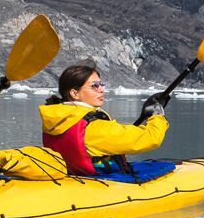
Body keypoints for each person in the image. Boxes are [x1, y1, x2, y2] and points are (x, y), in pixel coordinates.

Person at [39, 62, 168, 176]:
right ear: (75, 93)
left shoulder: (57, 120)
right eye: (95, 86)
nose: (101, 90)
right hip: (101, 181)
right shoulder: (94, 128)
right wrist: (156, 115)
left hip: (74, 175)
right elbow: (150, 138)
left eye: (101, 84)